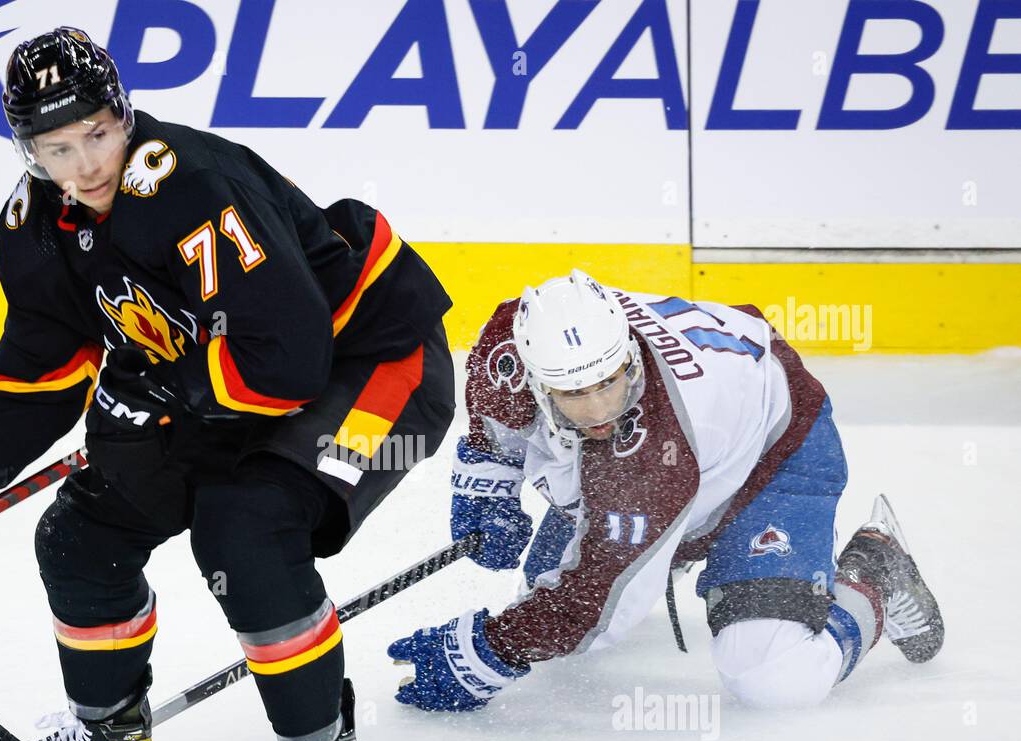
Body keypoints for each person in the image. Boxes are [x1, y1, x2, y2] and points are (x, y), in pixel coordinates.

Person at [0, 27, 454, 741]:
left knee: (243, 528)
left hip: (370, 357)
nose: (85, 163)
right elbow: (38, 374)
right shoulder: (36, 224)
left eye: (98, 133)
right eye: (57, 148)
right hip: (218, 381)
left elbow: (285, 359)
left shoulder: (188, 188)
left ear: (124, 115)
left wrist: (161, 387)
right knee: (81, 534)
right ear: (26, 149)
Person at [390, 271, 944, 713]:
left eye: (610, 382)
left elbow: (597, 607)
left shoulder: (653, 447)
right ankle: (666, 543)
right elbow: (496, 435)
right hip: (661, 473)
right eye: (574, 394)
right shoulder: (507, 351)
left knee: (772, 678)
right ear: (533, 379)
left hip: (769, 459)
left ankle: (874, 569)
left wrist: (487, 651)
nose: (601, 412)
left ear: (629, 355)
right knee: (542, 590)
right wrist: (488, 493)